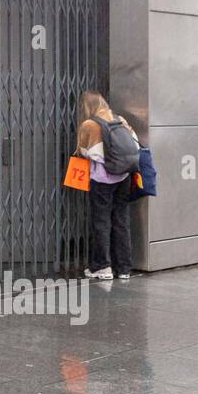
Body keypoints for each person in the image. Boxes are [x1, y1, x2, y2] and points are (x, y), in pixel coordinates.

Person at [76, 90, 138, 281]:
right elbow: (135, 144)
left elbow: (84, 152)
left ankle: (102, 267)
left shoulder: (90, 125)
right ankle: (124, 268)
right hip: (124, 176)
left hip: (103, 179)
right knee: (121, 220)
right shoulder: (120, 120)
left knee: (101, 221)